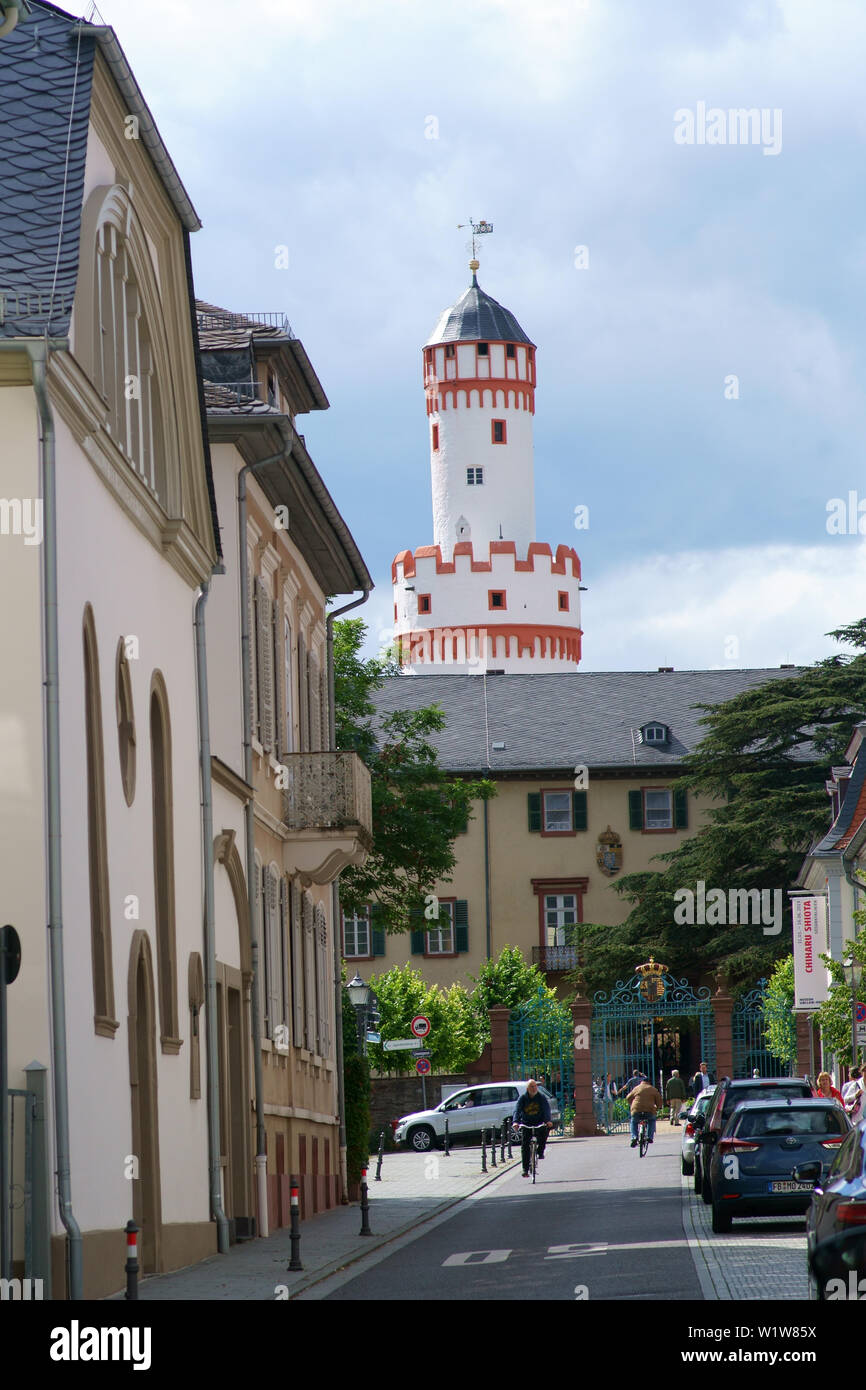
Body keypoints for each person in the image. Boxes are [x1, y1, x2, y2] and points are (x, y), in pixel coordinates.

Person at [513, 1079, 552, 1176]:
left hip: (539, 1122)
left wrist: (548, 1120)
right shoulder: (523, 1098)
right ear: (527, 1088)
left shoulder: (541, 1097)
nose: (534, 1088)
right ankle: (525, 1170)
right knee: (525, 1146)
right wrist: (516, 1122)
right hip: (527, 1123)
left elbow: (546, 1109)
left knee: (544, 1133)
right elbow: (517, 1110)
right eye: (531, 1086)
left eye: (535, 1086)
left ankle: (540, 1151)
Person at [625, 1076, 663, 1147]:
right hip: (649, 1110)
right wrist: (658, 1107)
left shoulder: (636, 1088)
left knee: (634, 1122)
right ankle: (650, 1137)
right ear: (649, 1083)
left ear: (641, 1082)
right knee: (651, 1120)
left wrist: (632, 1104)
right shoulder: (653, 1089)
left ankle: (634, 1137)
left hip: (637, 1109)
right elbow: (659, 1100)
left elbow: (628, 1097)